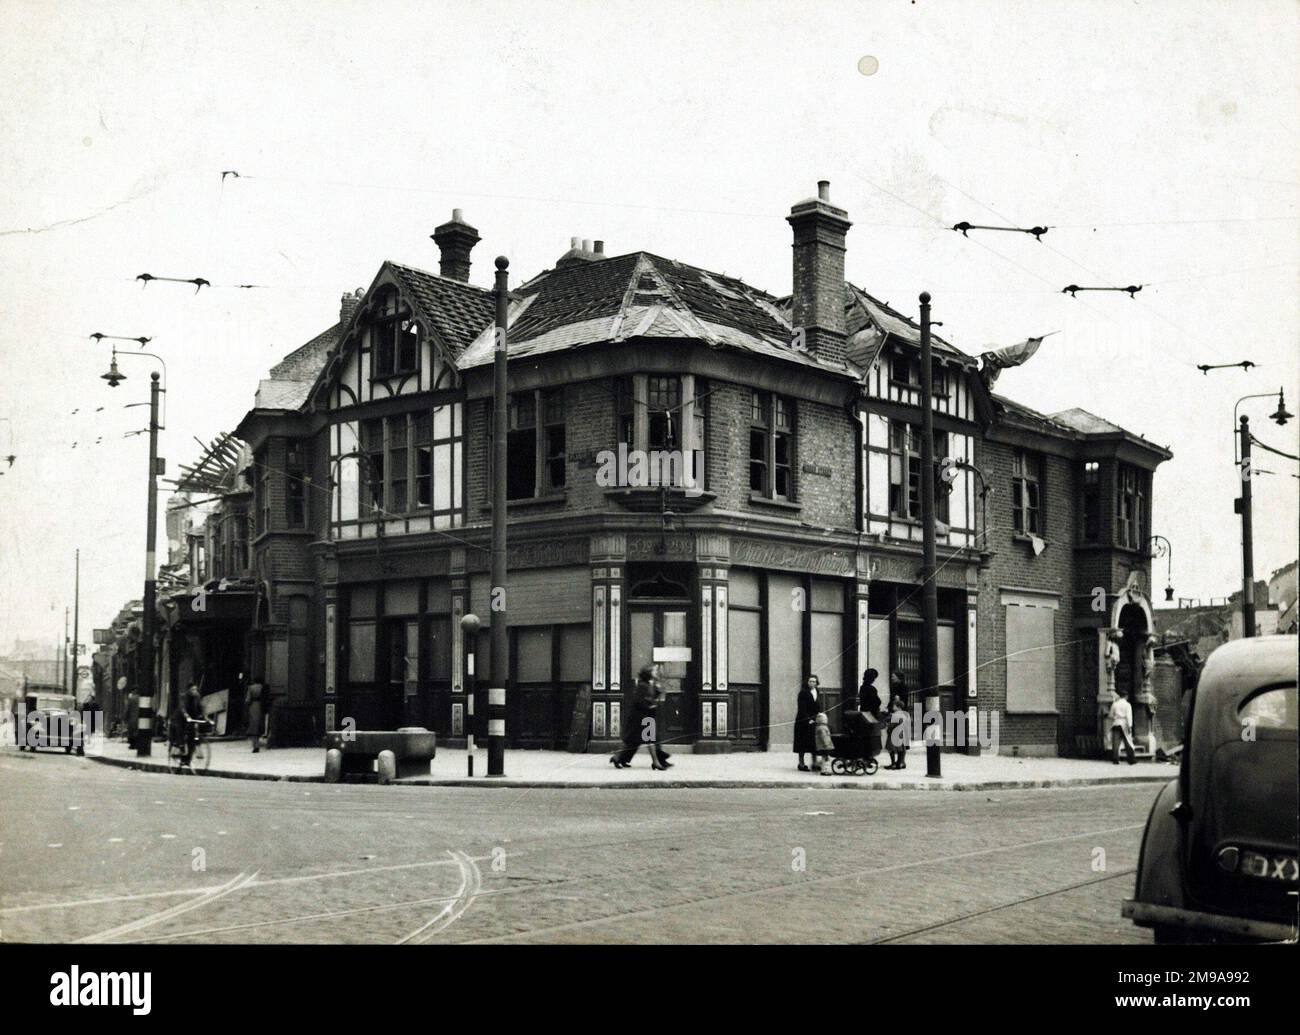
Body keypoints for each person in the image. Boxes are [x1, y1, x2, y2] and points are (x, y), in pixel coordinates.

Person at [610, 663, 672, 769]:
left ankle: (617, 758)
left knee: (635, 740)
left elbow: (651, 697)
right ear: (648, 673)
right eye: (654, 671)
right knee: (647, 740)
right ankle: (655, 762)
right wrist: (650, 706)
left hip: (645, 715)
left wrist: (657, 689)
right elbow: (638, 701)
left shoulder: (648, 684)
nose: (655, 673)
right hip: (641, 717)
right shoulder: (643, 685)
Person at [794, 674, 821, 771]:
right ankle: (801, 764)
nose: (812, 683)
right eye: (810, 681)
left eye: (814, 681)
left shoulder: (817, 691)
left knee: (814, 742)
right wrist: (808, 719)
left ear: (816, 683)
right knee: (802, 743)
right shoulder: (803, 693)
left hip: (814, 720)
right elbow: (802, 708)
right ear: (807, 682)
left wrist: (818, 716)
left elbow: (818, 705)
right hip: (803, 721)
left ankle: (814, 763)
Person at [1109, 691, 1137, 765]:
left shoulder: (1115, 704)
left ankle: (1115, 759)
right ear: (1126, 696)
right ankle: (1131, 759)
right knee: (1128, 741)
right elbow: (1129, 716)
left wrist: (1115, 717)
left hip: (1116, 723)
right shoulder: (1127, 705)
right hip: (1124, 723)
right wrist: (1130, 726)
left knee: (1115, 742)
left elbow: (1110, 715)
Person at [885, 693, 910, 770]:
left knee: (891, 749)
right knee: (900, 749)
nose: (893, 707)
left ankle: (893, 764)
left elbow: (891, 726)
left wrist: (887, 727)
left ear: (898, 707)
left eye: (894, 706)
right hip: (902, 734)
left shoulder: (895, 715)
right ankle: (900, 763)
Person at [245, 676, 265, 753]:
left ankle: (255, 745)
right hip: (262, 706)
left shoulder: (251, 688)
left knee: (253, 726)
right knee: (259, 725)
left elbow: (248, 699)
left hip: (253, 706)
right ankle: (258, 743)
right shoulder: (263, 687)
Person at [813, 711, 834, 775]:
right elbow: (824, 737)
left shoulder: (818, 727)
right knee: (826, 759)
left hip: (821, 746)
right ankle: (825, 770)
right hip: (825, 746)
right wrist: (827, 744)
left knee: (824, 758)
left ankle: (823, 768)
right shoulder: (823, 728)